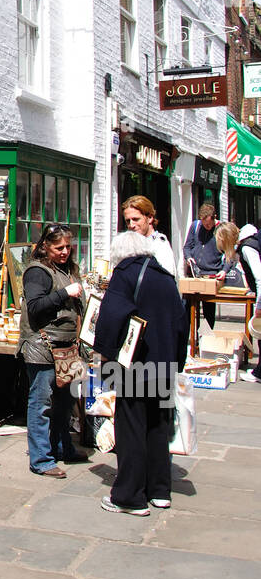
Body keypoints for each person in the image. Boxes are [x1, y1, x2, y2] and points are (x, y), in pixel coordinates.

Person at [93, 231, 188, 516]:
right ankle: (159, 491)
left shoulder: (124, 274)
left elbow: (111, 316)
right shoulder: (165, 277)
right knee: (158, 427)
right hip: (164, 364)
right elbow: (181, 324)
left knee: (131, 428)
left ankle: (129, 496)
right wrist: (177, 363)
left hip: (135, 365)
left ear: (120, 254)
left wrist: (103, 352)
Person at [17, 224, 87, 478]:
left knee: (65, 403)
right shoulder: (38, 272)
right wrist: (64, 293)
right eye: (59, 247)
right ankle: (41, 459)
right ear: (45, 246)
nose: (65, 252)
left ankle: (61, 446)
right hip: (43, 347)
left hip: (67, 347)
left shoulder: (66, 269)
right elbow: (35, 307)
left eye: (68, 247)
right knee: (41, 403)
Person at [182, 200, 222, 329]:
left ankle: (208, 336)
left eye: (209, 224)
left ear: (214, 218)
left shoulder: (221, 229)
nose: (207, 227)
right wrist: (188, 258)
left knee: (209, 310)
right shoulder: (195, 226)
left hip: (211, 274)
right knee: (188, 307)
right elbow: (187, 246)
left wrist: (224, 270)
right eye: (204, 224)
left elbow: (229, 254)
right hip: (194, 273)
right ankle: (191, 338)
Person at [122, 194, 177, 276]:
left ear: (150, 218)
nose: (131, 225)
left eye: (135, 219)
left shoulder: (160, 245)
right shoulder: (129, 245)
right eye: (128, 221)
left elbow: (166, 280)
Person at [236, 224, 261, 380]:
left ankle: (259, 373)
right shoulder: (253, 242)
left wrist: (259, 305)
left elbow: (259, 277)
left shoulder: (247, 248)